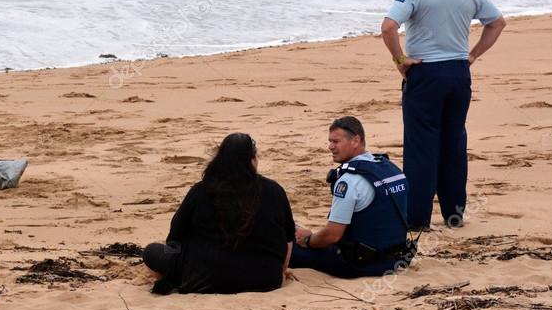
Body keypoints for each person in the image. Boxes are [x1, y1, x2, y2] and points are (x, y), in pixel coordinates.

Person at [381, 0, 506, 230]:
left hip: (425, 73)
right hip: (458, 72)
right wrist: (473, 54)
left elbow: (388, 27)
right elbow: (497, 22)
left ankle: (417, 219)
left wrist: (400, 60)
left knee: (421, 144)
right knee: (453, 141)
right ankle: (454, 213)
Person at [142, 133, 295, 294]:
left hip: (203, 279)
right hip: (266, 280)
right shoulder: (274, 191)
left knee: (151, 251)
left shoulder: (201, 190)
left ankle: (174, 274)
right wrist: (281, 270)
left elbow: (175, 236)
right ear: (253, 160)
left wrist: (173, 264)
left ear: (220, 160)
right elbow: (289, 239)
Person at [291, 117, 415, 278]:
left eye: (336, 141)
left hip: (359, 264)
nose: (330, 147)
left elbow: (332, 235)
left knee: (286, 246)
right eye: (330, 141)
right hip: (395, 259)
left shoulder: (349, 181)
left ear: (356, 140)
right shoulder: (392, 169)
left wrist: (308, 239)